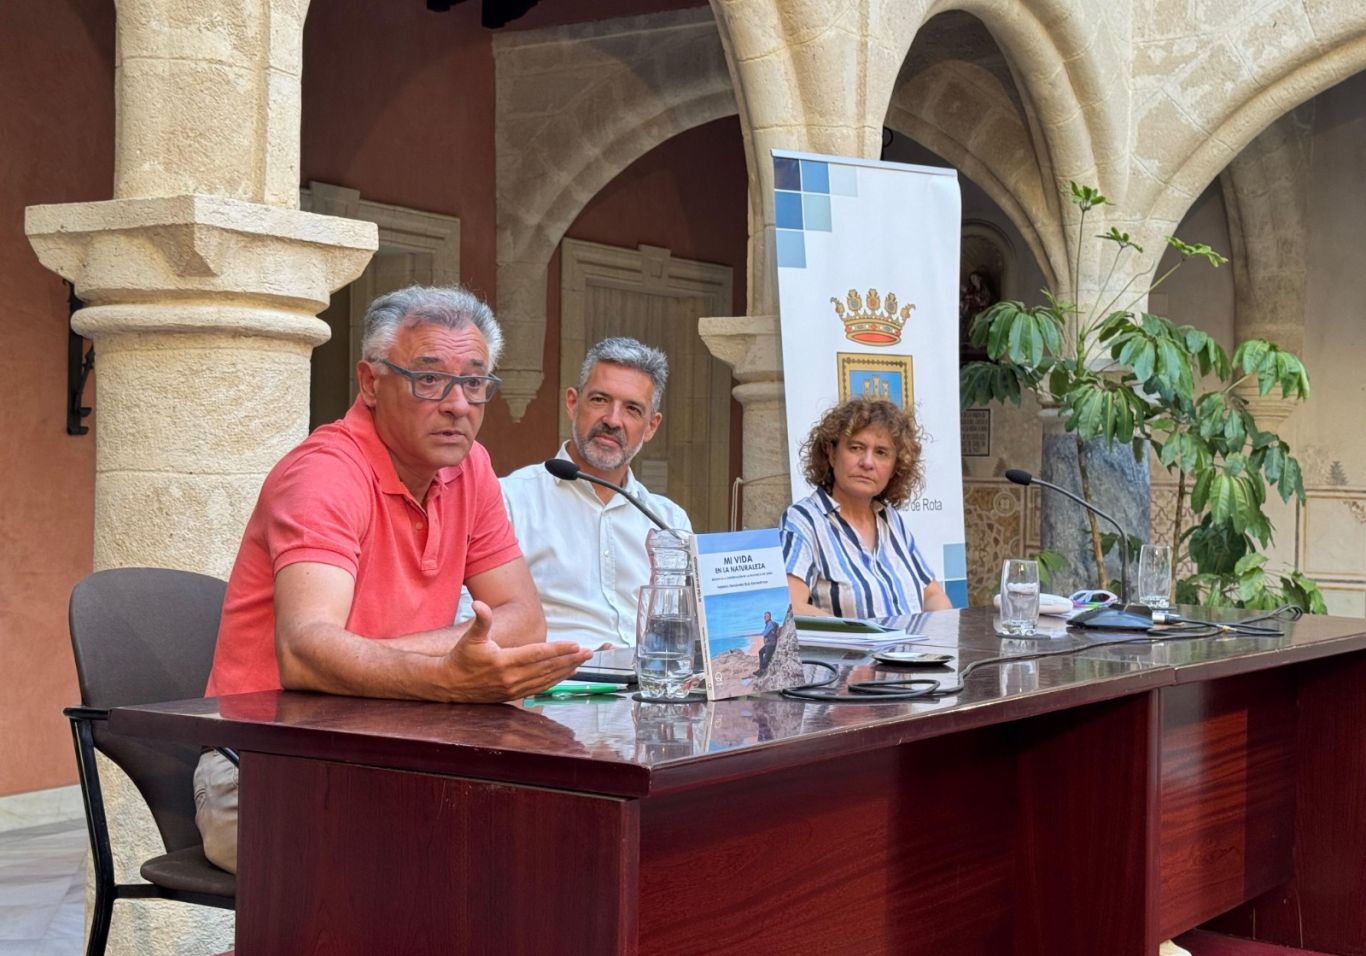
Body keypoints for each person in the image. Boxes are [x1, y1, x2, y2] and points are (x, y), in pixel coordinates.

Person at [194, 285, 591, 873]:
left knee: (569, 837)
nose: (459, 405)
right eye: (429, 379)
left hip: (399, 750)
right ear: (371, 381)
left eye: (475, 382)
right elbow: (306, 652)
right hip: (265, 767)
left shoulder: (470, 467)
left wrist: (394, 668)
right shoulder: (326, 474)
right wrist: (444, 677)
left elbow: (524, 619)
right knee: (456, 865)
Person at [496, 337, 690, 649]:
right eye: (600, 400)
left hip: (647, 687)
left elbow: (680, 629)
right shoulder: (511, 500)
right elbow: (476, 621)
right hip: (554, 687)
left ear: (651, 426)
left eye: (632, 409)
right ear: (573, 403)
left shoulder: (668, 519)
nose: (613, 420)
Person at [781, 397, 953, 618]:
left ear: (895, 468)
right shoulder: (804, 521)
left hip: (914, 651)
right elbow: (791, 607)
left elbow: (932, 595)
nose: (867, 462)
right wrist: (859, 634)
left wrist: (944, 632)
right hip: (849, 652)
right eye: (856, 448)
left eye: (881, 452)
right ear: (831, 454)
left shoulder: (891, 520)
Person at [755, 610, 780, 675]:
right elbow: (777, 624)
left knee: (766, 660)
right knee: (760, 652)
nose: (764, 617)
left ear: (769, 617)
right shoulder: (770, 624)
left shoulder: (770, 624)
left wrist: (764, 633)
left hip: (771, 644)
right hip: (768, 644)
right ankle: (760, 669)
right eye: (764, 616)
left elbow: (765, 633)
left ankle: (761, 671)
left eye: (766, 616)